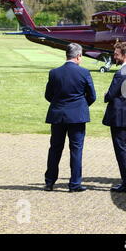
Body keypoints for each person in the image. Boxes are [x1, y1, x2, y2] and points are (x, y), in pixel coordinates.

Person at [44, 43, 96, 192]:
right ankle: (74, 184)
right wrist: (81, 106)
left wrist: (59, 103)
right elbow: (92, 96)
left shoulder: (54, 73)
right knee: (76, 149)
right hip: (77, 116)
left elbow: (48, 95)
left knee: (55, 148)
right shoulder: (84, 73)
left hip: (58, 115)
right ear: (79, 56)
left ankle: (49, 182)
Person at [103, 42, 126, 193]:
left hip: (119, 116)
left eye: (117, 54)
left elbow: (110, 94)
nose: (114, 56)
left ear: (125, 55)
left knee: (122, 149)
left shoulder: (121, 73)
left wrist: (106, 95)